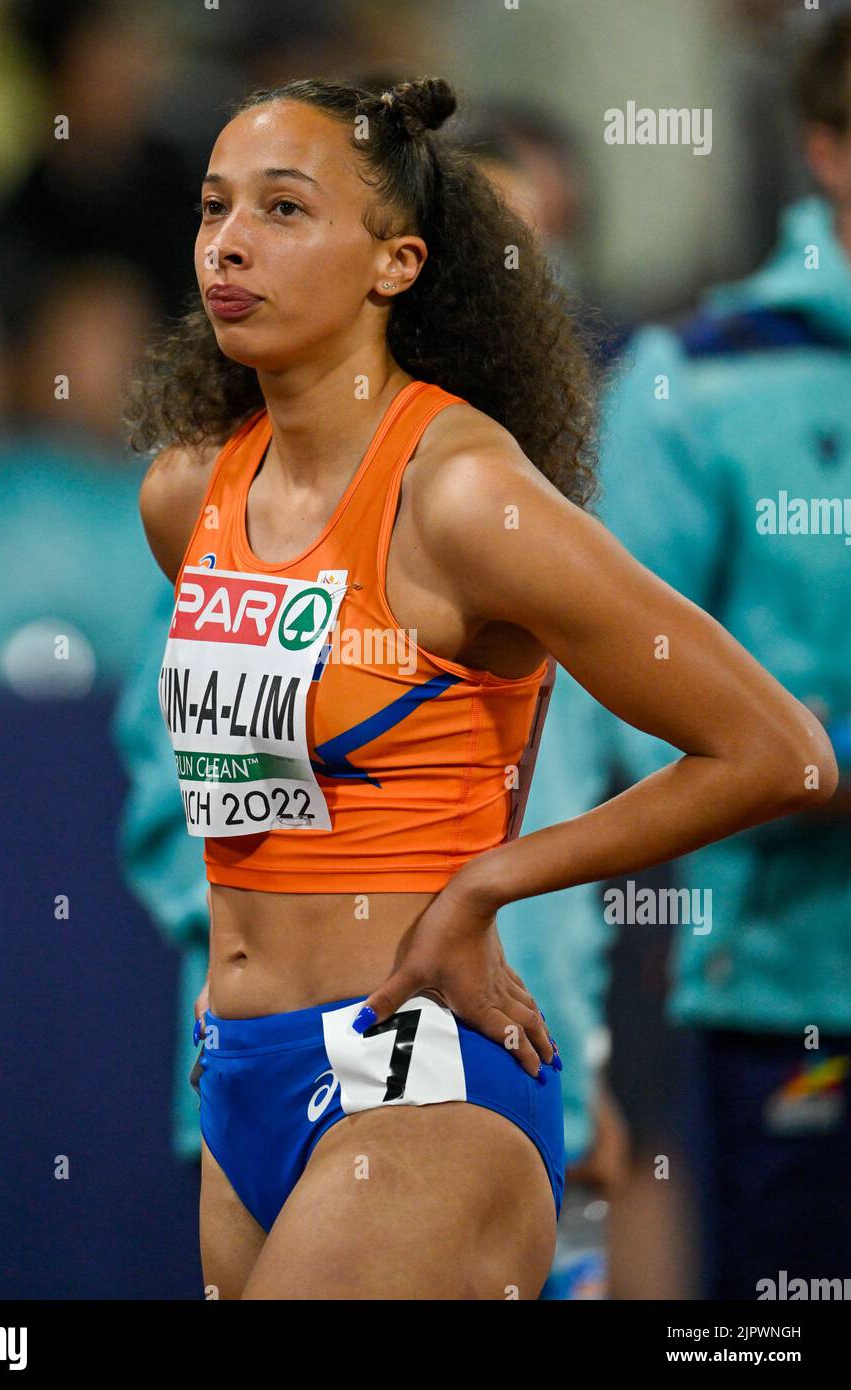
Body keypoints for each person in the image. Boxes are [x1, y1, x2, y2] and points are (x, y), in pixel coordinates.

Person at [126, 75, 835, 1301]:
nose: (229, 244)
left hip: (424, 1080)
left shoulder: (464, 495)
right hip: (236, 1077)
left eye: (285, 210)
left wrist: (494, 879)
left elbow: (777, 749)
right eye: (213, 207)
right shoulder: (189, 497)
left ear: (396, 263)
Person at [597, 13, 851, 1298]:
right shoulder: (696, 383)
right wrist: (802, 766)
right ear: (828, 151)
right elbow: (629, 687)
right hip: (792, 988)